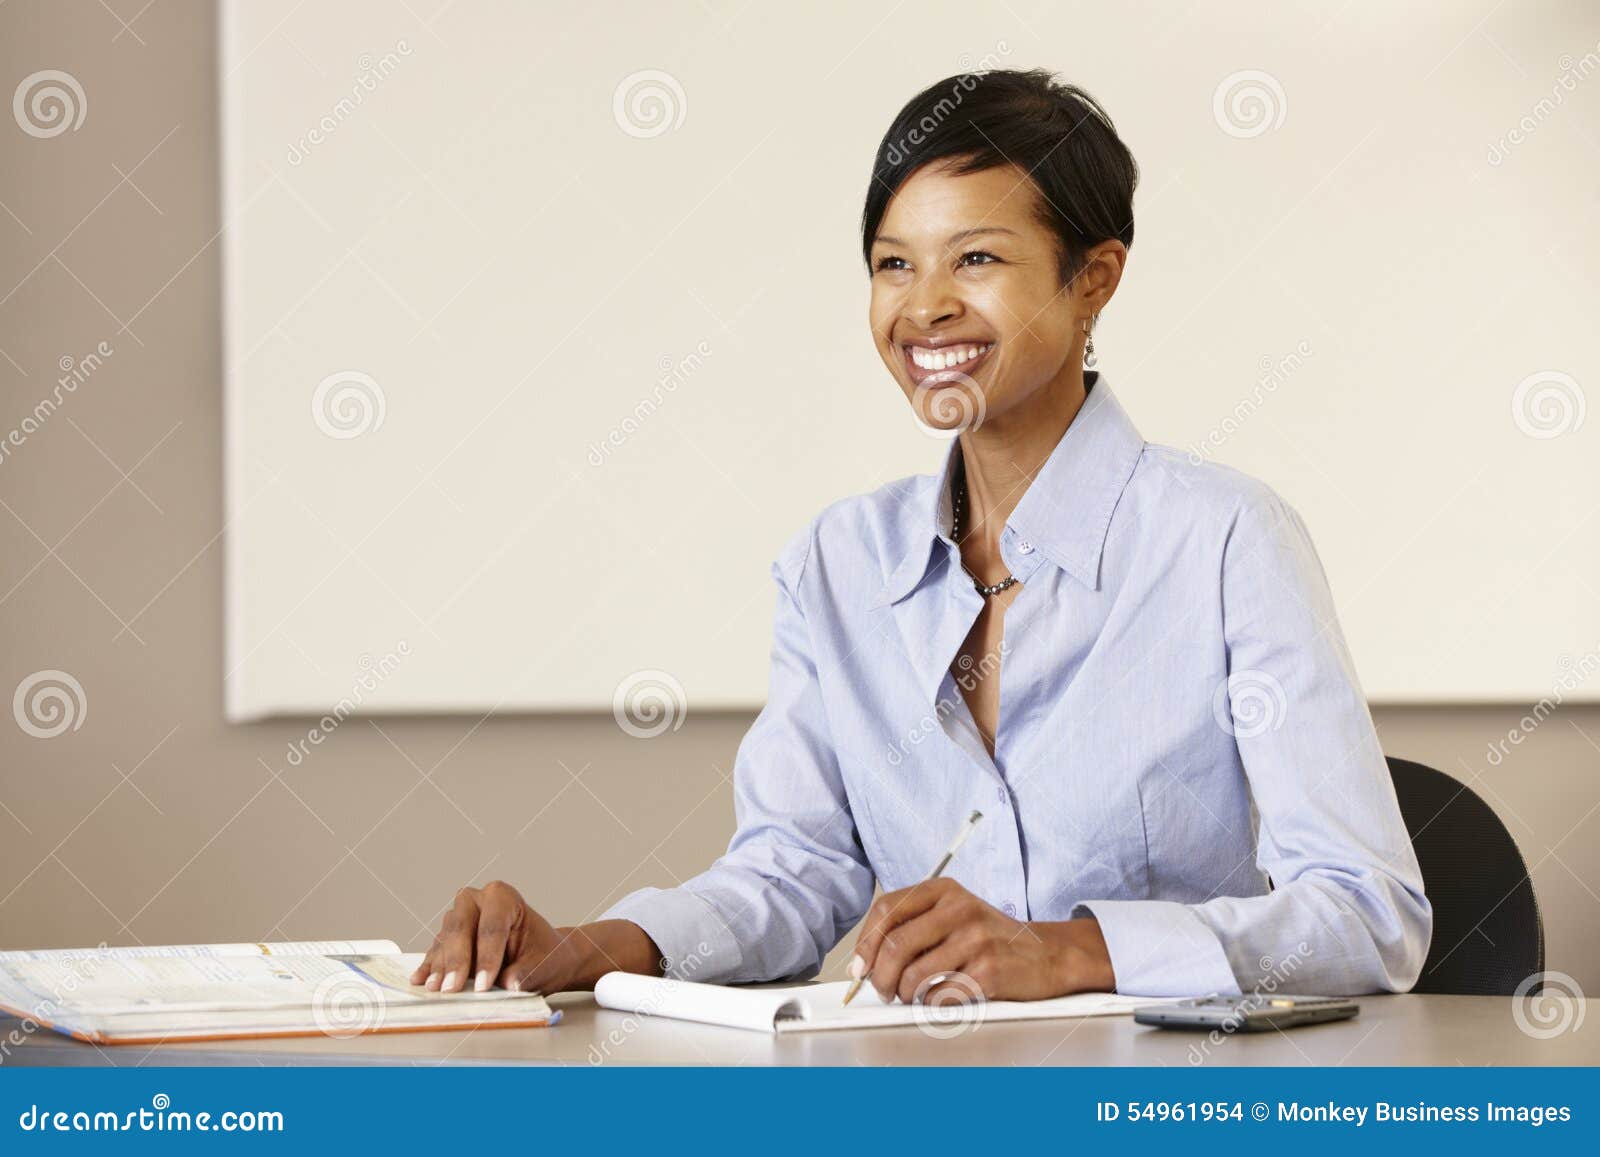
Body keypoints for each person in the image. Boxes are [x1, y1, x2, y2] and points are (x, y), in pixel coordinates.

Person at [410, 69, 1430, 1006]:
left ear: (1094, 278)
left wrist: (1070, 948)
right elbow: (792, 871)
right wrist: (588, 948)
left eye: (976, 258)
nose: (925, 305)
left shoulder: (1222, 538)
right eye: (892, 264)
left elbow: (1369, 910)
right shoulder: (836, 561)